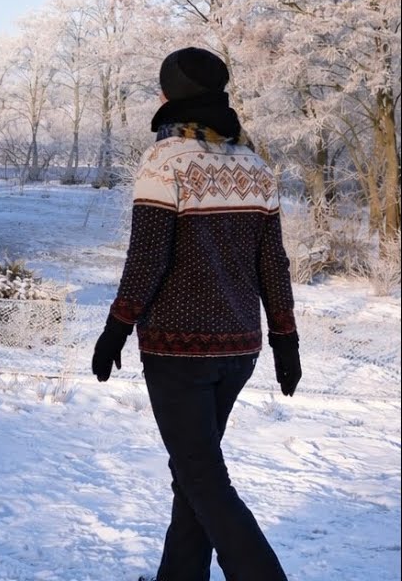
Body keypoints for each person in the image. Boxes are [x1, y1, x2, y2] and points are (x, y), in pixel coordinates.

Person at [92, 47, 302, 581]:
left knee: (203, 479)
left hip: (177, 352)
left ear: (170, 96)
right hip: (240, 351)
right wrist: (286, 341)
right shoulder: (256, 166)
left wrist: (116, 329)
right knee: (193, 475)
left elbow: (147, 258)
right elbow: (273, 263)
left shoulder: (166, 161)